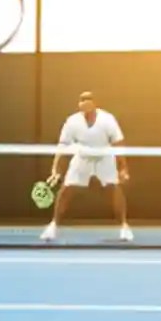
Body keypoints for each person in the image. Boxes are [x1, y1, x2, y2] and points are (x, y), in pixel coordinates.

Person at [39, 91, 132, 242]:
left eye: (88, 99)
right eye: (82, 100)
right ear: (79, 104)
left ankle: (124, 227)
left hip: (104, 156)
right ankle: (53, 226)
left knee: (114, 189)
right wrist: (55, 169)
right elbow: (62, 146)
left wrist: (123, 168)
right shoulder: (72, 121)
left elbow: (118, 143)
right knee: (66, 190)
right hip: (82, 157)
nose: (85, 102)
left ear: (95, 103)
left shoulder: (107, 119)